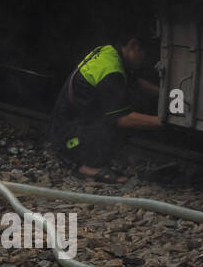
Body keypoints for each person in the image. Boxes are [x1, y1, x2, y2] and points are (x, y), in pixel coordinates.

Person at [48, 36, 161, 182]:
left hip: (67, 128)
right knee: (118, 121)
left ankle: (91, 157)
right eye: (146, 55)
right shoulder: (111, 72)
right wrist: (163, 121)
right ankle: (89, 167)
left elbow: (136, 82)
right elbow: (122, 119)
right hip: (71, 139)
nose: (147, 61)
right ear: (133, 44)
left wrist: (164, 94)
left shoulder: (109, 52)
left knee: (122, 110)